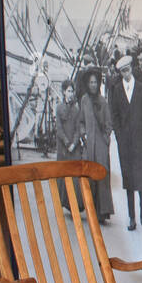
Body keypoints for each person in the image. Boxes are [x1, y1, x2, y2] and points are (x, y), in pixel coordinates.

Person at [109, 54, 142, 230]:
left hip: (140, 143)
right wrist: (119, 137)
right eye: (122, 72)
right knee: (128, 180)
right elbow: (115, 116)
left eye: (127, 70)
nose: (125, 74)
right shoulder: (117, 90)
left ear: (132, 69)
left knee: (141, 179)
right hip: (125, 144)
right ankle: (132, 217)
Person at [79, 67, 114, 223]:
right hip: (88, 145)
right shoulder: (84, 100)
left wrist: (105, 139)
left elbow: (108, 124)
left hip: (100, 146)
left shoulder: (103, 101)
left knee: (102, 176)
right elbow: (81, 121)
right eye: (91, 82)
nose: (93, 85)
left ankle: (103, 212)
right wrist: (83, 134)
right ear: (88, 84)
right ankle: (91, 210)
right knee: (89, 177)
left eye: (95, 82)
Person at [55, 79, 83, 212]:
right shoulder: (59, 108)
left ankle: (75, 203)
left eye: (72, 91)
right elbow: (59, 128)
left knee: (75, 175)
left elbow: (78, 128)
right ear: (63, 92)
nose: (71, 94)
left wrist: (74, 142)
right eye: (68, 91)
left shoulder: (77, 108)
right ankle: (65, 201)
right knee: (63, 173)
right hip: (63, 146)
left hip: (74, 145)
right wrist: (67, 142)